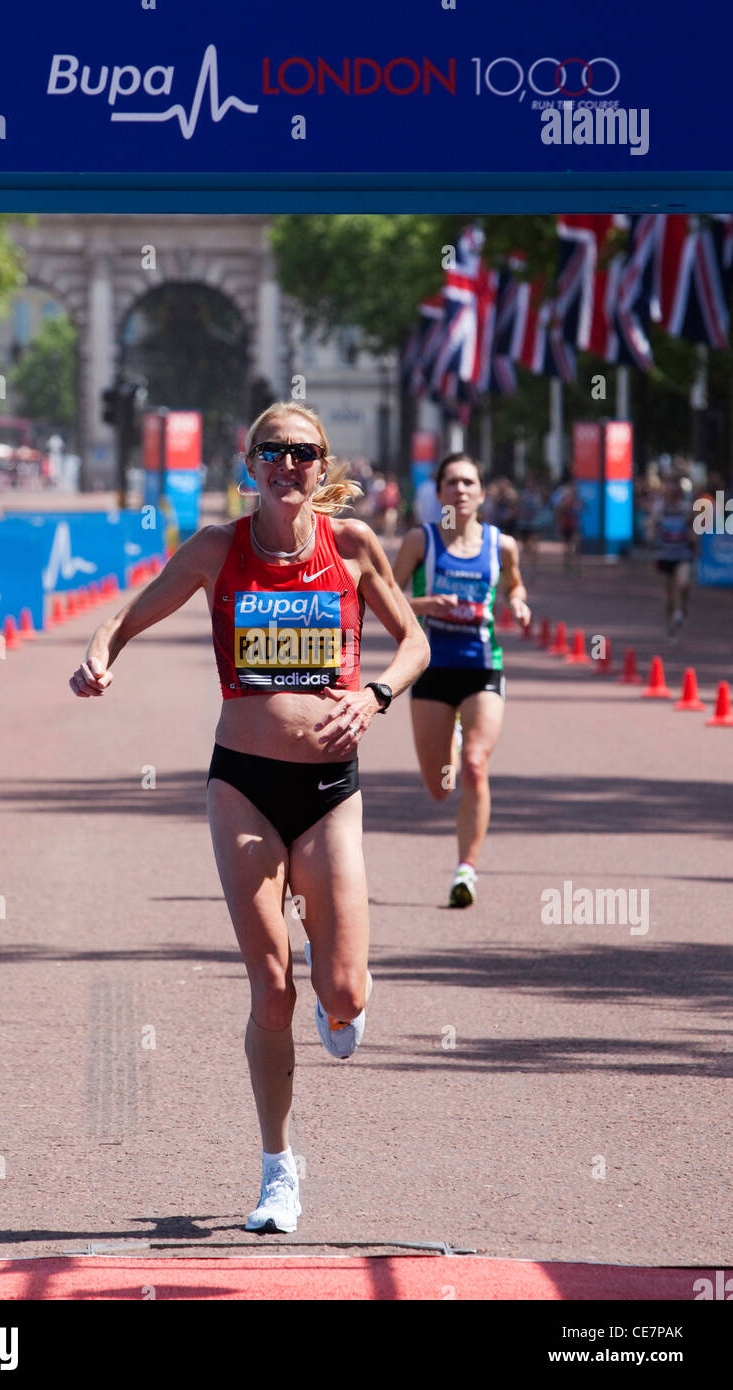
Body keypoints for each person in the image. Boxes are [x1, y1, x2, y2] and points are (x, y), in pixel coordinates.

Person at [69, 401, 429, 1235]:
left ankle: (341, 996)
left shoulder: (354, 546)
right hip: (243, 784)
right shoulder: (216, 550)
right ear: (250, 464)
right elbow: (125, 615)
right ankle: (278, 1170)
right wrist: (98, 656)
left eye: (302, 452)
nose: (287, 464)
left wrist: (376, 696)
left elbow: (413, 642)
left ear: (321, 465)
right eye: (272, 451)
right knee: (270, 985)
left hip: (330, 788)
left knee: (341, 992)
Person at [392, 452, 530, 909]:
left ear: (483, 493)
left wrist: (518, 602)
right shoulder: (421, 540)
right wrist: (428, 605)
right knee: (440, 788)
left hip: (482, 666)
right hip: (431, 668)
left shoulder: (501, 545)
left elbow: (514, 584)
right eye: (451, 482)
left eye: (469, 482)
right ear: (438, 492)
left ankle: (466, 869)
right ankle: (451, 734)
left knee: (474, 764)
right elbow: (385, 597)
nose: (461, 490)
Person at [650, 477, 699, 641]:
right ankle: (670, 629)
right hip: (666, 554)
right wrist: (651, 535)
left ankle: (683, 608)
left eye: (674, 492)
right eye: (668, 492)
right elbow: (653, 526)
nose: (671, 495)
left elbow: (693, 528)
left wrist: (695, 543)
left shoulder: (685, 508)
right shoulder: (659, 508)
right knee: (669, 595)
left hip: (683, 554)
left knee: (683, 583)